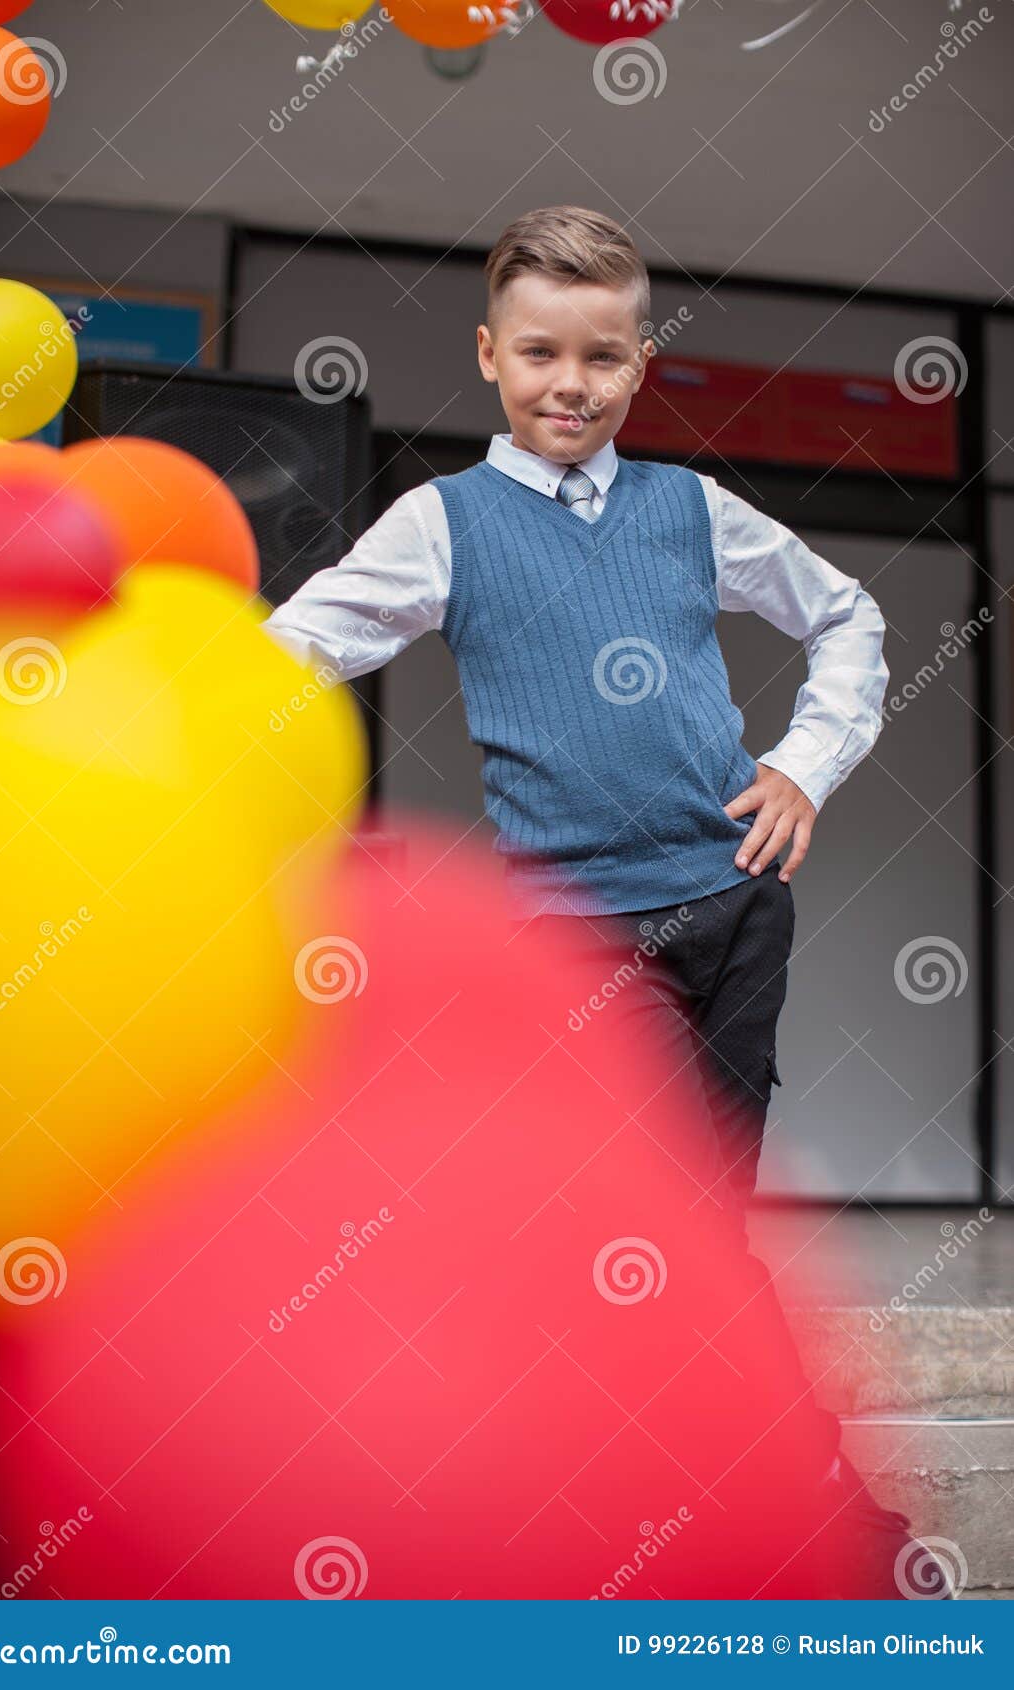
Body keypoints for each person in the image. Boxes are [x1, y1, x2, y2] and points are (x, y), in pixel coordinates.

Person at [263, 204, 949, 1600]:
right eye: (538, 353)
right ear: (491, 355)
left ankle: (783, 1510)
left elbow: (849, 618)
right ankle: (639, 1507)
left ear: (639, 364)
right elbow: (299, 645)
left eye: (600, 356)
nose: (567, 383)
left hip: (734, 902)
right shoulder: (441, 523)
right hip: (570, 940)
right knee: (610, 1221)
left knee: (695, 1224)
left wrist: (803, 766)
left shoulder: (692, 509)